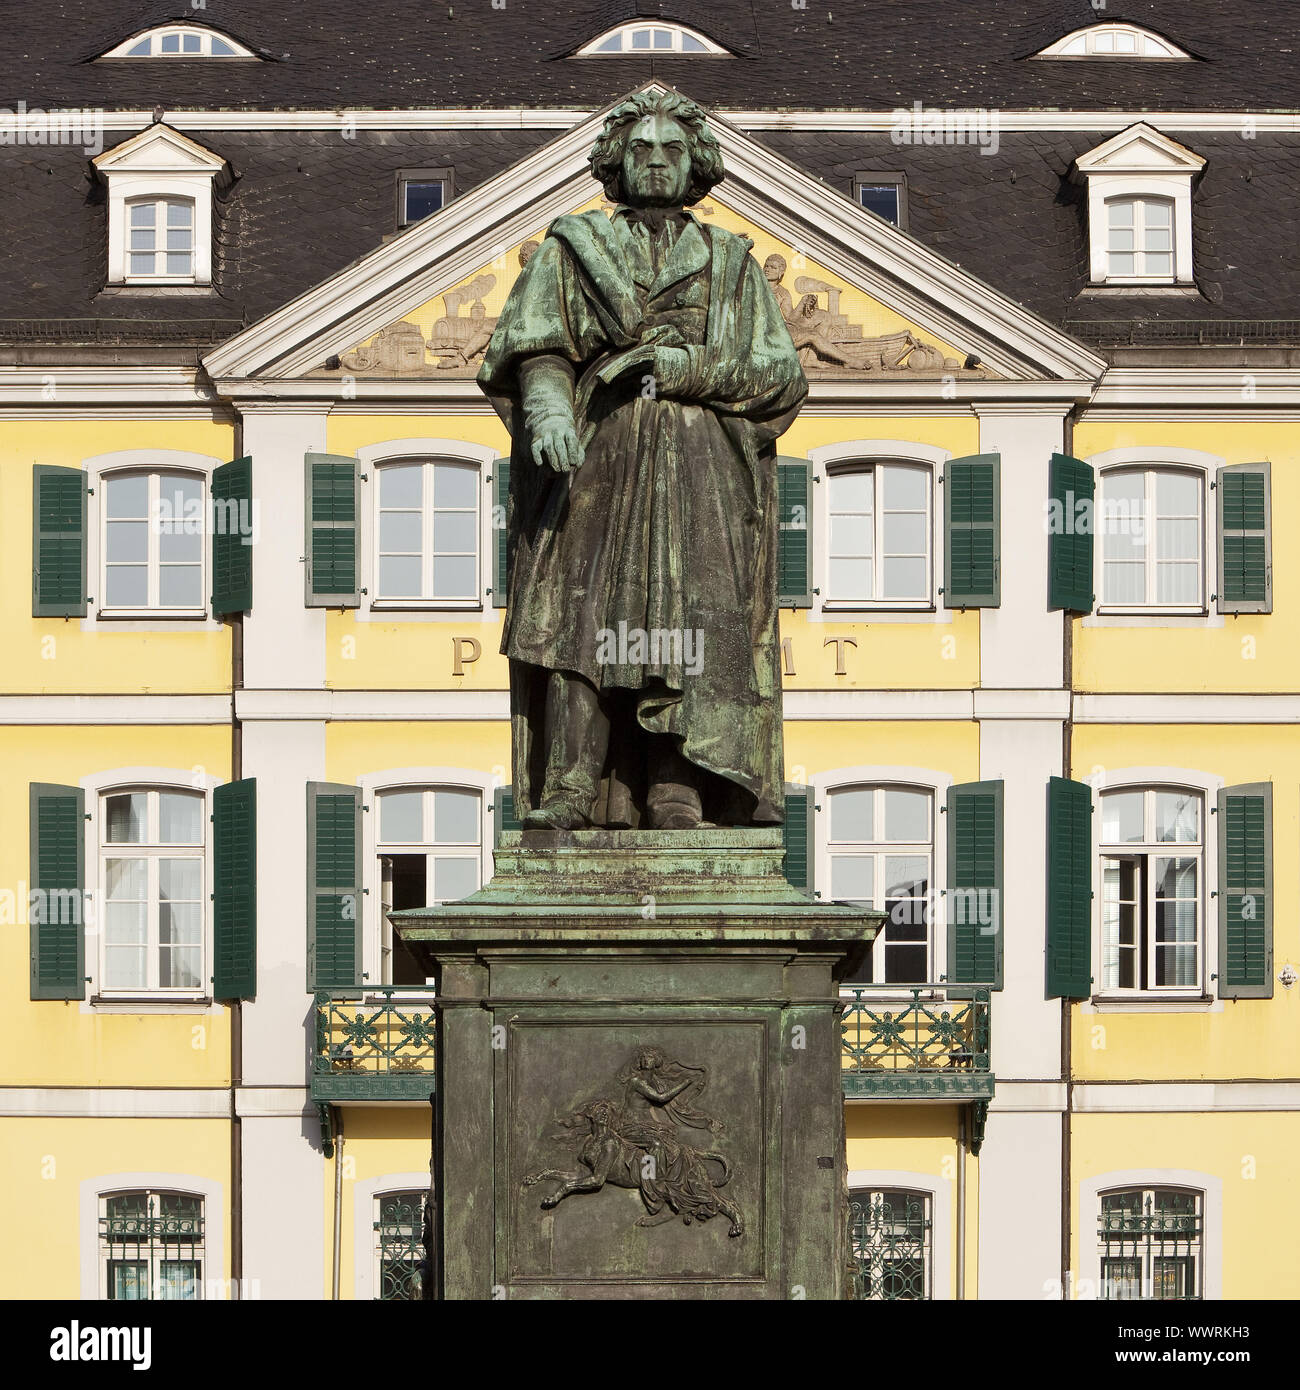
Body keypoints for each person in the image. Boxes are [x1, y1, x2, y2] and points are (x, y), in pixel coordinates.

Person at [478, 90, 806, 830]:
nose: (656, 162)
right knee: (573, 619)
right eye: (641, 149)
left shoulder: (731, 263)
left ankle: (677, 784)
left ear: (696, 166)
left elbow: (780, 374)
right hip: (597, 458)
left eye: (672, 150)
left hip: (702, 474)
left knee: (694, 623)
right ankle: (569, 784)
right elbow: (536, 342)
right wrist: (551, 408)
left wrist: (681, 366)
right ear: (616, 165)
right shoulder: (572, 248)